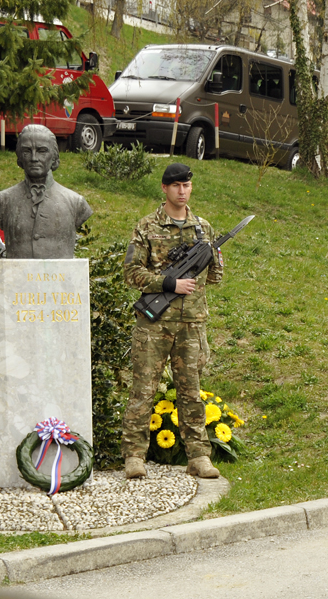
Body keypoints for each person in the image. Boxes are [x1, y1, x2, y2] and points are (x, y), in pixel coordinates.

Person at [121, 163, 223, 480]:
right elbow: (130, 273)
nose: (182, 191)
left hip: (192, 322)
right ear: (164, 188)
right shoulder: (146, 226)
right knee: (143, 391)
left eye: (187, 185)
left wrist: (216, 259)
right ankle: (134, 457)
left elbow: (215, 279)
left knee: (191, 392)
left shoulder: (202, 228)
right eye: (176, 185)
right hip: (155, 322)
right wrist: (168, 284)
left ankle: (198, 457)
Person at [0, 124, 93, 259]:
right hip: (17, 277)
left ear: (54, 156)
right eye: (27, 151)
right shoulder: (3, 200)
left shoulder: (76, 202)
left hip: (60, 278)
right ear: (19, 157)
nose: (34, 158)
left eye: (42, 151)